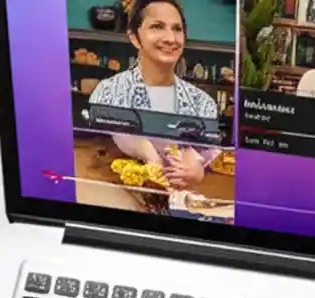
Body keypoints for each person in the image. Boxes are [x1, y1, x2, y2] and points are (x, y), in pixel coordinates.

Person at [89, 0, 218, 189]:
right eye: (157, 27)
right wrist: (147, 153)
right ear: (134, 37)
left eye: (177, 29)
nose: (170, 38)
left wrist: (197, 167)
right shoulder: (109, 91)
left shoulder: (203, 103)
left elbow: (206, 155)